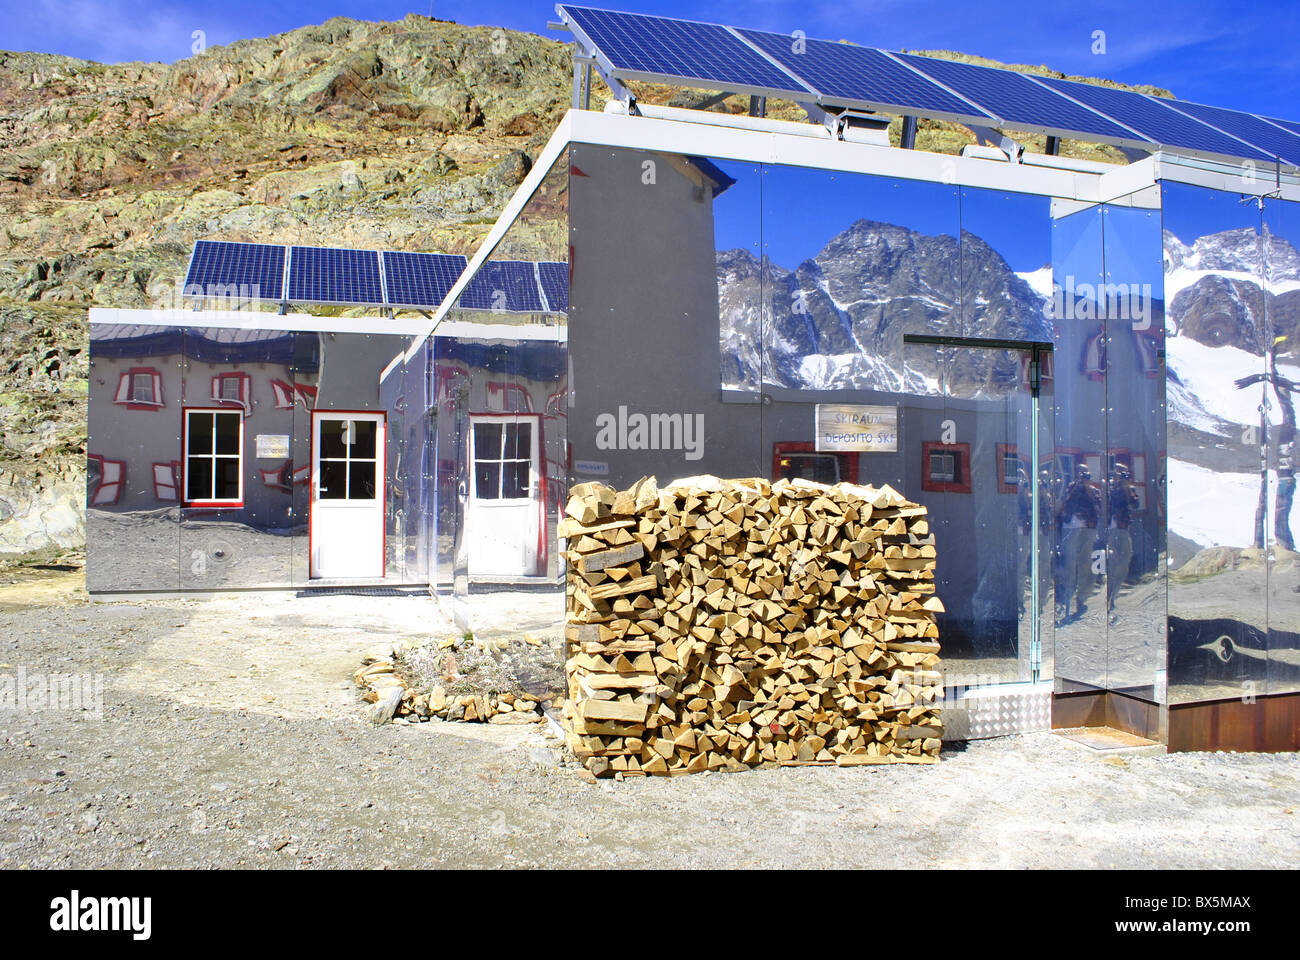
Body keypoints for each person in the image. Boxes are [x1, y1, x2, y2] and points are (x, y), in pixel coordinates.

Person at [1057, 464, 1102, 624]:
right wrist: (1079, 486)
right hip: (1071, 528)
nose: (1081, 476)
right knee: (1070, 565)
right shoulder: (1072, 487)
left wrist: (1088, 489)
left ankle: (1081, 598)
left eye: (1084, 474)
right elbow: (1068, 501)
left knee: (1086, 565)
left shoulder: (1094, 490)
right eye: (1079, 473)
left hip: (1087, 529)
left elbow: (1098, 505)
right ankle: (1066, 599)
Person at [1105, 461, 1140, 620]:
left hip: (1123, 527)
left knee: (1125, 558)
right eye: (1118, 474)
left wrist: (1127, 489)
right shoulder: (1112, 489)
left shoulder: (1129, 489)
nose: (1120, 477)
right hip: (1114, 529)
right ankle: (1110, 595)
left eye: (1123, 474)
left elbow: (1135, 505)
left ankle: (1113, 593)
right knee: (1115, 560)